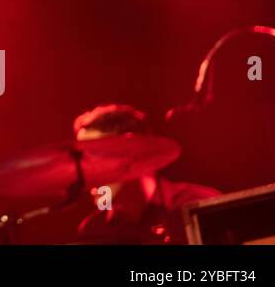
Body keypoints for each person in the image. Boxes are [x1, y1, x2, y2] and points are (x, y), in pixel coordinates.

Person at [72, 103, 221, 244]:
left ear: (133, 153)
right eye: (83, 160)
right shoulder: (93, 229)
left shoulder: (199, 203)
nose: (87, 172)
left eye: (96, 156)